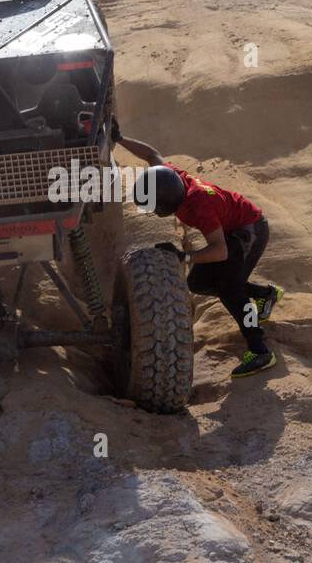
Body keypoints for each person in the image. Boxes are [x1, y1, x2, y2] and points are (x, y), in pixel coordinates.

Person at [115, 128, 283, 378]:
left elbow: (220, 251)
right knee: (198, 282)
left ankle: (259, 350)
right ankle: (265, 294)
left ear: (166, 201)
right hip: (232, 229)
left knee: (230, 288)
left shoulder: (198, 205)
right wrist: (118, 138)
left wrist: (183, 256)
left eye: (155, 207)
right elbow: (151, 154)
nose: (154, 212)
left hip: (250, 230)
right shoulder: (172, 177)